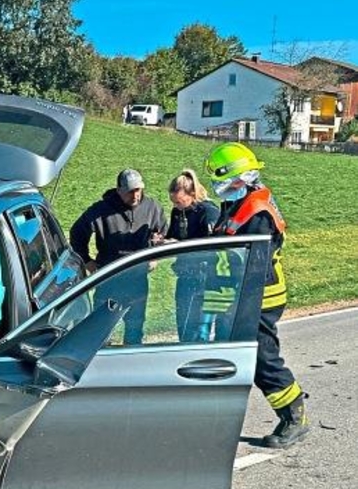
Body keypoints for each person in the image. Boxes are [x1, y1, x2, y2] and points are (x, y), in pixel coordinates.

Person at [204, 142, 309, 449]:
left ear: (244, 178)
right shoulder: (238, 204)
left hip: (260, 298)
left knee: (263, 359)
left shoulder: (257, 211)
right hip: (238, 296)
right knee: (231, 359)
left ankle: (294, 417)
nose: (221, 190)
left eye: (226, 183)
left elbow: (254, 265)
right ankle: (215, 419)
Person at [69, 169, 167, 344]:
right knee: (100, 329)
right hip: (109, 277)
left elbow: (163, 233)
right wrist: (87, 260)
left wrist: (155, 256)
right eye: (130, 191)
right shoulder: (101, 209)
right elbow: (77, 233)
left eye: (138, 190)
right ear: (119, 190)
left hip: (138, 278)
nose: (135, 195)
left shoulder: (152, 207)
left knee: (135, 328)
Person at [166, 169, 220, 340]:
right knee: (184, 327)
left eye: (180, 202)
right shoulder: (177, 212)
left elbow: (213, 247)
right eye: (174, 202)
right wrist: (163, 241)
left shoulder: (208, 211)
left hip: (205, 277)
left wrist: (178, 245)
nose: (176, 206)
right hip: (185, 275)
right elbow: (173, 235)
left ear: (192, 195)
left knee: (200, 330)